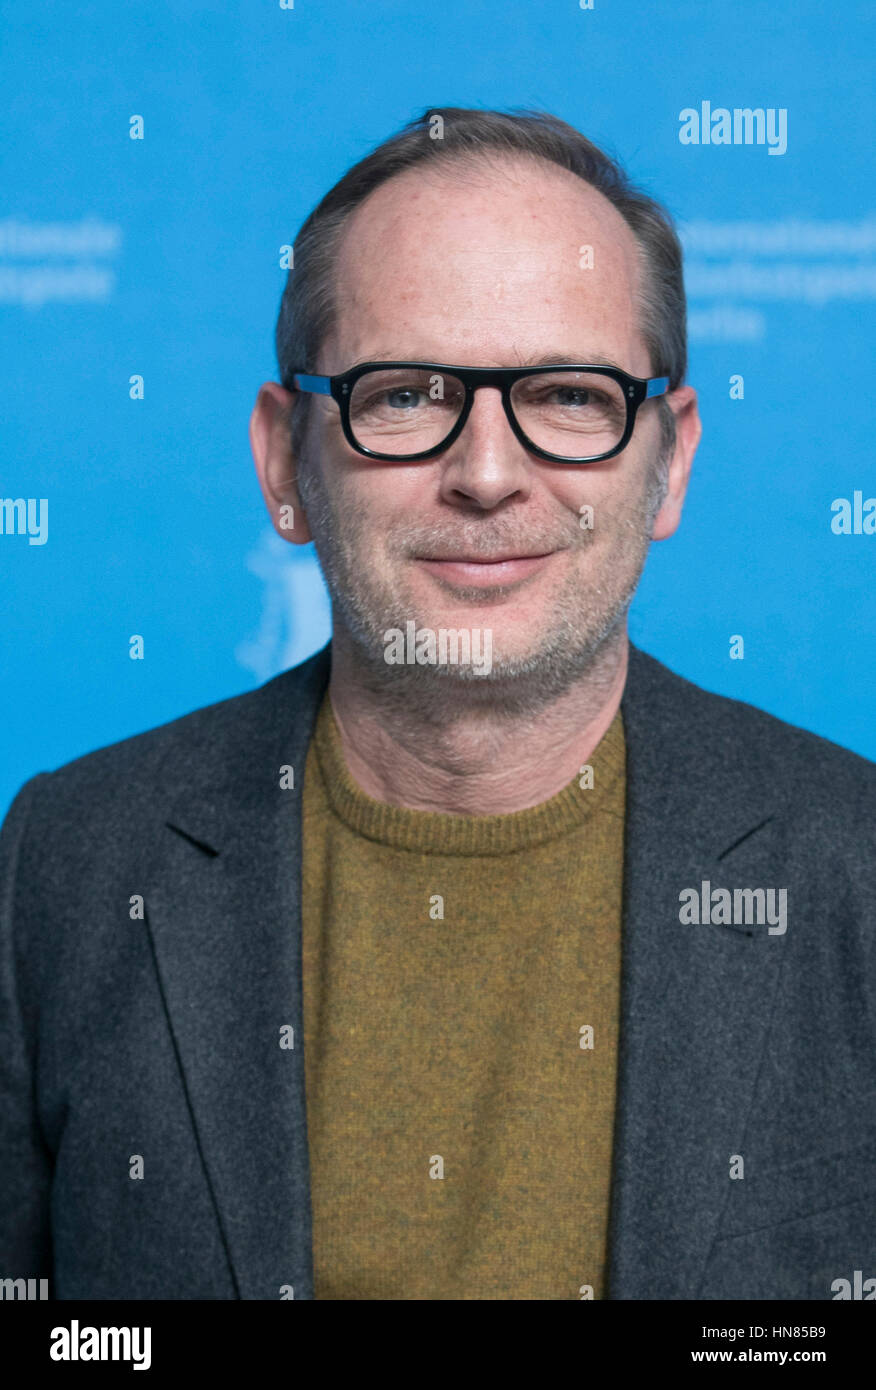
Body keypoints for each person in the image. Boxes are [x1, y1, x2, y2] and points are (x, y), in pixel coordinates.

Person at [2, 107, 874, 1302]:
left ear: (669, 464)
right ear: (284, 463)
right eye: (406, 394)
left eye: (568, 395)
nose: (487, 474)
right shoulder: (66, 863)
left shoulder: (853, 863)